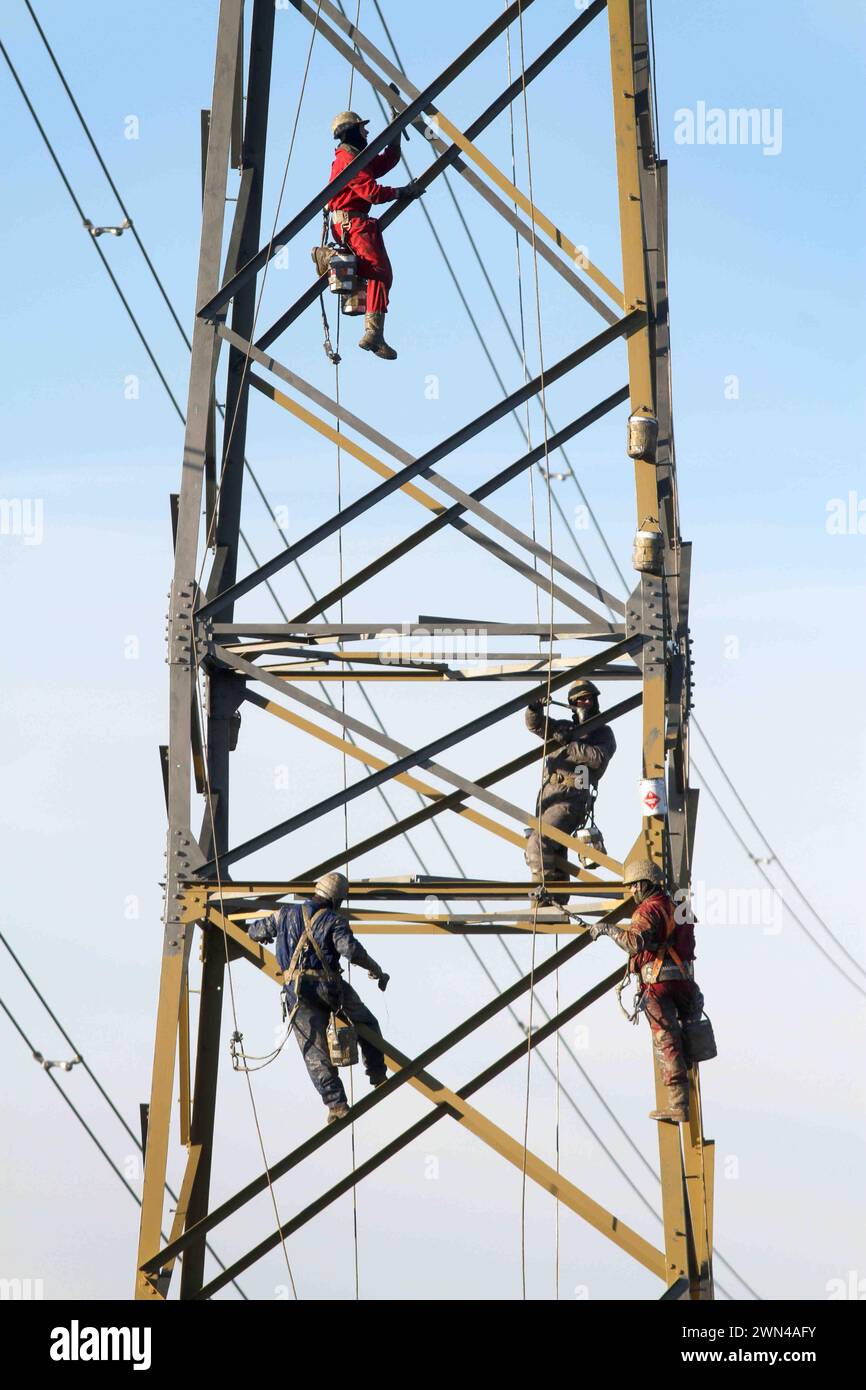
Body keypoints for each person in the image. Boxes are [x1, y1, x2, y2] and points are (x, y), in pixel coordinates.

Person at [245, 871, 390, 1124]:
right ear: (337, 899)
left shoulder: (285, 914)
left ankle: (337, 1105)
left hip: (298, 993)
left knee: (315, 1052)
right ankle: (377, 1073)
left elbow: (255, 931)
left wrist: (268, 935)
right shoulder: (334, 920)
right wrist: (375, 969)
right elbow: (351, 951)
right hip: (330, 988)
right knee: (367, 1022)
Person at [589, 859, 704, 1123]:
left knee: (666, 1040)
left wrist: (606, 929)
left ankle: (678, 1104)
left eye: (632, 887)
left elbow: (634, 943)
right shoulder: (680, 905)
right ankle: (685, 1090)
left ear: (642, 884)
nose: (631, 893)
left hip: (659, 984)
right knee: (684, 1038)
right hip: (686, 984)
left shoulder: (648, 909)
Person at [325, 110, 423, 360]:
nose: (366, 132)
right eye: (362, 128)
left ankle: (374, 332)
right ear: (351, 132)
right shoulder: (347, 160)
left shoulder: (354, 158)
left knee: (380, 274)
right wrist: (403, 192)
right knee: (379, 272)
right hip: (352, 224)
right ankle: (373, 333)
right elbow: (373, 194)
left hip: (359, 224)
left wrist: (395, 131)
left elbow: (386, 161)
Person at [524, 678, 616, 899]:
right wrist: (534, 706)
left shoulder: (602, 732)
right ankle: (558, 897)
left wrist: (569, 743)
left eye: (587, 698)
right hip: (548, 797)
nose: (583, 702)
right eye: (578, 699)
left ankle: (544, 896)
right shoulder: (563, 726)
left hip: (572, 799)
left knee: (539, 842)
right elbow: (535, 724)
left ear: (595, 701)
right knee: (553, 849)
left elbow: (597, 759)